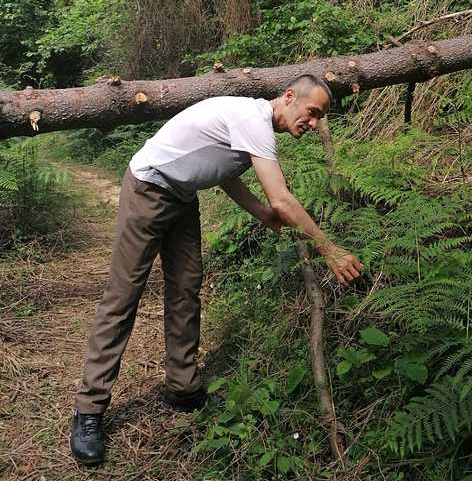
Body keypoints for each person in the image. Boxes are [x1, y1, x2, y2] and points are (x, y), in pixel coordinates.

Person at [70, 74, 363, 465]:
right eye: (312, 113)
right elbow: (283, 199)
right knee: (123, 296)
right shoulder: (253, 120)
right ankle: (89, 411)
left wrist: (257, 211)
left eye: (319, 118)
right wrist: (331, 251)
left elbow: (223, 170)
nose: (312, 124)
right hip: (148, 188)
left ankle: (183, 386)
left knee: (187, 287)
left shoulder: (251, 124)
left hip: (181, 195)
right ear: (289, 96)